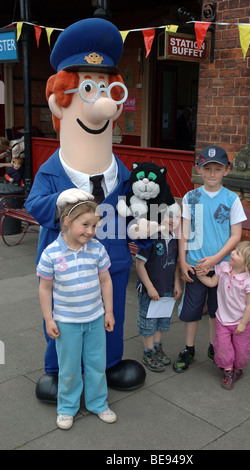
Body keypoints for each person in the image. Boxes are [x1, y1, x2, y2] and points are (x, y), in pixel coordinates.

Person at [25, 18, 150, 402]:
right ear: (58, 101)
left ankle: (109, 363)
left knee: (110, 317)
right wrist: (61, 203)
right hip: (65, 265)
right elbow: (35, 205)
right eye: (87, 88)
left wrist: (144, 222)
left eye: (105, 87)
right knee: (64, 317)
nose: (102, 103)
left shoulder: (122, 173)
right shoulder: (52, 170)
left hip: (110, 260)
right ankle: (58, 369)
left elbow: (132, 209)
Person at [37, 200, 117, 429]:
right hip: (66, 323)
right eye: (85, 225)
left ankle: (98, 403)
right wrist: (49, 318)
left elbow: (105, 280)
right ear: (67, 222)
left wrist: (108, 311)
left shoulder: (97, 249)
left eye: (95, 226)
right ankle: (67, 407)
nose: (91, 231)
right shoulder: (51, 253)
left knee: (96, 364)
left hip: (94, 318)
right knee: (69, 368)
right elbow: (44, 288)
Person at [173, 145, 247, 373]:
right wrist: (182, 260)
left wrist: (215, 259)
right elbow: (184, 231)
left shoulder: (232, 199)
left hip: (223, 267)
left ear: (226, 170)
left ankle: (216, 345)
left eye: (217, 169)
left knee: (217, 311)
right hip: (195, 264)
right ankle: (189, 348)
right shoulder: (190, 197)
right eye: (207, 169)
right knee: (192, 310)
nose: (212, 174)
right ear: (199, 169)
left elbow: (236, 235)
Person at [196, 241, 250, 390]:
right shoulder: (224, 268)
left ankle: (238, 369)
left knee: (242, 350)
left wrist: (243, 323)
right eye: (235, 250)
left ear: (246, 265)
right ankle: (227, 370)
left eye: (238, 253)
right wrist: (200, 276)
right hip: (223, 320)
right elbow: (213, 282)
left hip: (242, 322)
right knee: (223, 348)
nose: (233, 252)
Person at [135, 206, 182, 372]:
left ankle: (156, 347)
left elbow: (175, 264)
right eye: (168, 216)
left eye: (176, 217)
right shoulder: (151, 238)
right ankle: (148, 352)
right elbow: (140, 264)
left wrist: (177, 283)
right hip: (151, 289)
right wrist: (149, 287)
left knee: (162, 320)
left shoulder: (175, 239)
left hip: (167, 288)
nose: (172, 220)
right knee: (148, 321)